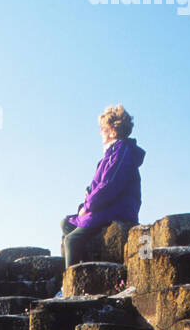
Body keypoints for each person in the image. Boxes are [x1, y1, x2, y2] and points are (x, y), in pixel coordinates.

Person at [61, 105, 145, 270]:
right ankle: (84, 271)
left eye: (102, 128)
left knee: (71, 240)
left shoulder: (121, 152)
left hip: (118, 209)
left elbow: (109, 186)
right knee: (66, 223)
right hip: (108, 206)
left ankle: (70, 288)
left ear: (112, 130)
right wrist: (85, 202)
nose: (100, 132)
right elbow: (97, 185)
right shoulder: (112, 153)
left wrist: (88, 207)